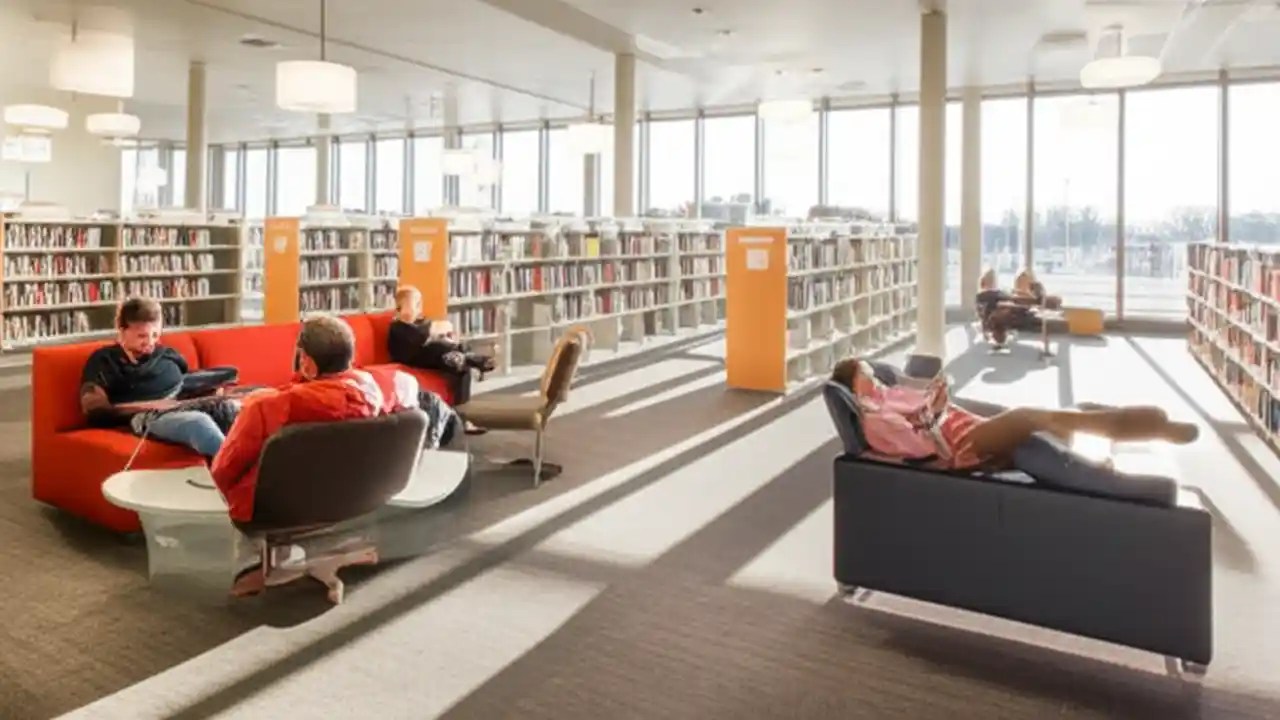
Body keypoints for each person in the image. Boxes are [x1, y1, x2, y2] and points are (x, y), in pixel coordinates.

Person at [211, 314, 458, 523]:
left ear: (306, 362)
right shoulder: (390, 391)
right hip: (357, 497)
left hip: (271, 508)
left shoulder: (266, 407)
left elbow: (222, 473)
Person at [830, 357, 1198, 471]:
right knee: (1029, 417)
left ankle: (1128, 427)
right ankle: (1136, 426)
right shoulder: (875, 417)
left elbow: (924, 410)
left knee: (1056, 419)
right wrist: (936, 413)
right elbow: (922, 449)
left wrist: (938, 397)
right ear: (854, 380)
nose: (873, 373)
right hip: (958, 446)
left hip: (965, 425)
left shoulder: (891, 392)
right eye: (866, 371)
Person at [80, 297, 236, 458]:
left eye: (155, 335)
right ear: (122, 330)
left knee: (240, 409)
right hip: (148, 417)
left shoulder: (168, 355)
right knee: (198, 423)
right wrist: (150, 406)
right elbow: (96, 413)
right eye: (142, 336)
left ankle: (256, 475)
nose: (150, 342)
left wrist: (211, 392)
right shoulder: (105, 360)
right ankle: (235, 471)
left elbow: (185, 381)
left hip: (183, 405)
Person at [387, 285, 494, 434]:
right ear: (400, 307)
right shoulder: (397, 326)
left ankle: (462, 418)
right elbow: (424, 335)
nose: (418, 308)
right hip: (412, 358)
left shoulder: (419, 324)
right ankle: (471, 359)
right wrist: (438, 332)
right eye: (415, 304)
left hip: (431, 357)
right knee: (438, 349)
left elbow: (434, 331)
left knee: (460, 364)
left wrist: (448, 338)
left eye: (419, 304)